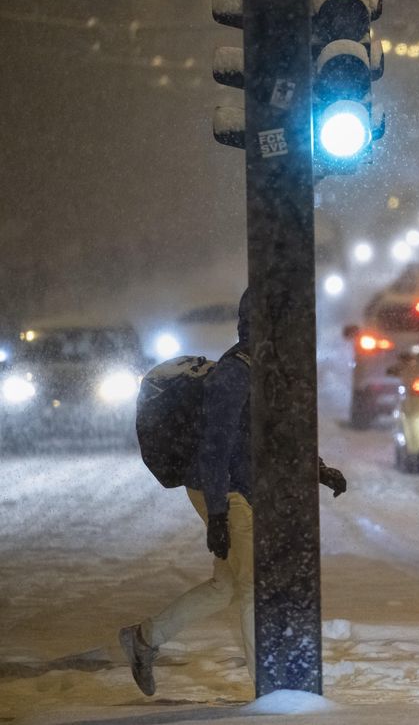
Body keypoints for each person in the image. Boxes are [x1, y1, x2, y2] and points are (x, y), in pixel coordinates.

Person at [119, 289, 346, 695]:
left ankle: (142, 639)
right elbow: (215, 446)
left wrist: (319, 469)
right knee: (253, 586)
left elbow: (281, 432)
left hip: (240, 487)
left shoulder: (270, 368)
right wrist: (219, 514)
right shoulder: (234, 373)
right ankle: (274, 694)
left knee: (227, 586)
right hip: (221, 487)